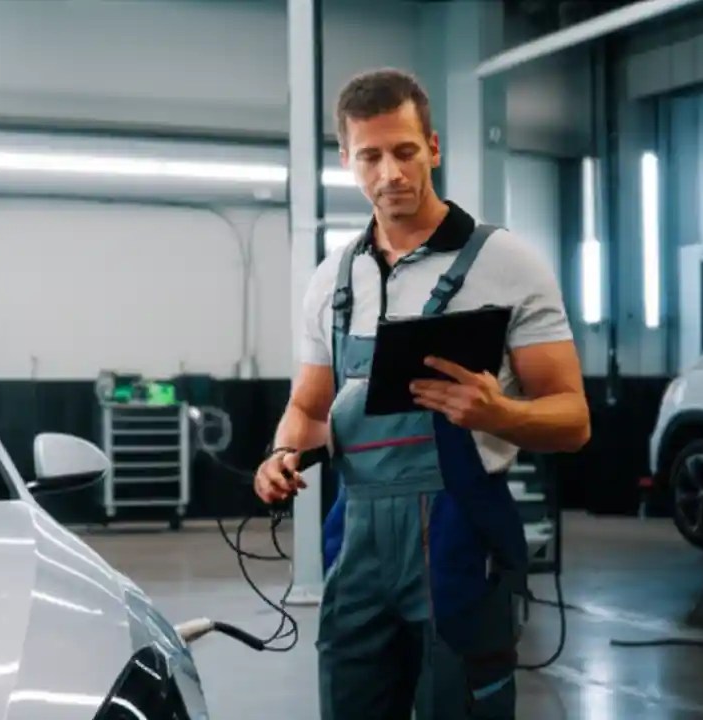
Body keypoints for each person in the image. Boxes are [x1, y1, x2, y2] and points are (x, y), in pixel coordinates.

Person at [253, 68, 590, 720]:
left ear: (433, 148)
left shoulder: (506, 264)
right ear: (347, 160)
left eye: (405, 151)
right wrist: (281, 455)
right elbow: (308, 409)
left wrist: (500, 413)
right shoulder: (332, 279)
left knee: (458, 702)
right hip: (358, 541)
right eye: (371, 156)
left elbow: (573, 419)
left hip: (459, 533)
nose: (391, 173)